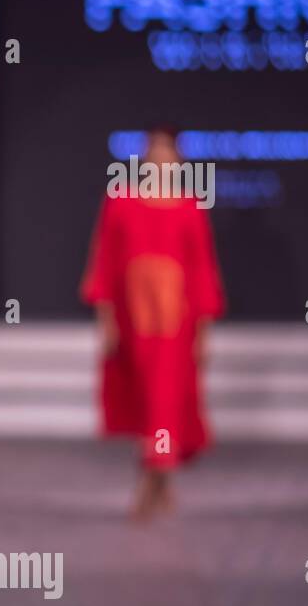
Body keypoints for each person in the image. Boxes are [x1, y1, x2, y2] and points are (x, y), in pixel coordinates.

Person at [80, 124, 226, 520]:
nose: (161, 160)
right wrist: (106, 318)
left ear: (178, 161)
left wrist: (203, 331)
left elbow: (201, 270)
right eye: (155, 153)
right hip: (133, 319)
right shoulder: (121, 201)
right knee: (145, 400)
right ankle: (161, 477)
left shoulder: (189, 207)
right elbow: (106, 259)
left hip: (176, 323)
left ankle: (153, 477)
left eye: (168, 153)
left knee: (165, 400)